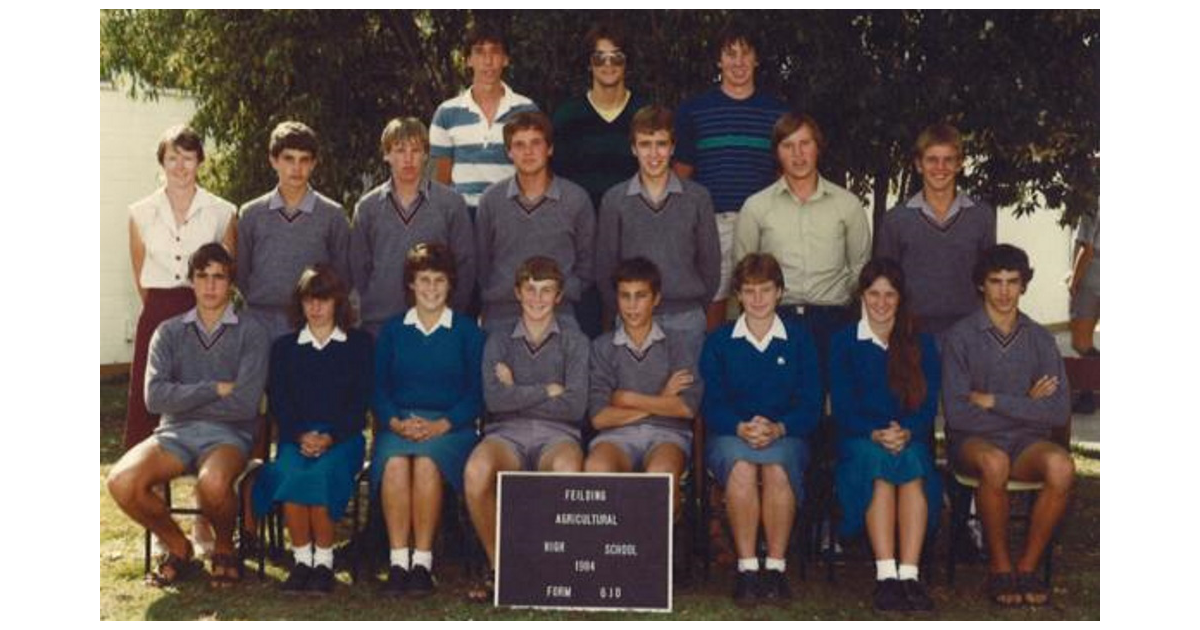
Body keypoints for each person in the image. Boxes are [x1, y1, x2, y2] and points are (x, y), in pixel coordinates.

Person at [107, 243, 269, 588]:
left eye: (219, 277)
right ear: (191, 282)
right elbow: (154, 398)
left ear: (231, 284)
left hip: (229, 434)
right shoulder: (168, 332)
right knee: (121, 481)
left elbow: (244, 404)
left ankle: (224, 547)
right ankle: (180, 546)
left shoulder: (251, 332)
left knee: (213, 483)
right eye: (202, 276)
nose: (210, 286)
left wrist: (181, 395)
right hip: (174, 433)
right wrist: (213, 388)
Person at [943, 244, 1074, 607]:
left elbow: (1058, 410)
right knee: (995, 462)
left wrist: (995, 400)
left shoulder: (1040, 338)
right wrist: (1028, 403)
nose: (1004, 291)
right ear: (981, 285)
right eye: (995, 282)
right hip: (974, 443)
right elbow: (958, 415)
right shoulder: (961, 336)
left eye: (1012, 282)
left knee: (1061, 466)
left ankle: (1027, 567)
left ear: (1024, 285)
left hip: (1026, 443)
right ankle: (1000, 570)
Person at [463, 256, 590, 602]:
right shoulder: (499, 338)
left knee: (567, 469)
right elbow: (493, 400)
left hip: (558, 434)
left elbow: (576, 405)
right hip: (506, 433)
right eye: (530, 290)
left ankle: (549, 567)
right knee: (476, 471)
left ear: (559, 296)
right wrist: (547, 389)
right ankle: (501, 567)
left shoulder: (575, 340)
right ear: (518, 293)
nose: (537, 298)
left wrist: (515, 389)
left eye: (546, 291)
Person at [699, 253, 821, 606]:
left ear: (780, 292)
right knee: (741, 468)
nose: (757, 299)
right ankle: (748, 569)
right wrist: (739, 427)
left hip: (785, 434)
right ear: (738, 294)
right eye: (749, 291)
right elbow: (711, 403)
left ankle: (776, 570)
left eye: (765, 290)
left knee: (776, 468)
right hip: (731, 434)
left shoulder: (799, 340)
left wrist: (780, 428)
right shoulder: (719, 341)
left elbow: (811, 402)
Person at [370, 243, 484, 597]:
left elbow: (478, 393)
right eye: (424, 280)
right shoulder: (392, 331)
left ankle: (422, 563)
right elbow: (377, 388)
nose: (431, 288)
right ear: (411, 285)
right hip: (399, 424)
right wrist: (394, 423)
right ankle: (398, 562)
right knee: (394, 464)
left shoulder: (467, 332)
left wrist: (441, 425)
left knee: (425, 464)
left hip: (451, 429)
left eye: (439, 280)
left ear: (450, 285)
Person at [250, 265, 372, 594]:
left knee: (319, 475)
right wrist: (301, 436)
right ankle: (303, 560)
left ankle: (324, 563)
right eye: (308, 300)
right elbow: (280, 402)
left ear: (338, 303)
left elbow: (360, 404)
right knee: (291, 472)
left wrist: (330, 437)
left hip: (342, 439)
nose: (316, 308)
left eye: (324, 300)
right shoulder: (284, 348)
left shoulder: (359, 345)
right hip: (296, 437)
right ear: (300, 304)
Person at [829, 258, 941, 613]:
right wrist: (874, 433)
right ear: (862, 295)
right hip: (859, 438)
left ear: (900, 298)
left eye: (889, 295)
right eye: (873, 293)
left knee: (910, 466)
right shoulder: (843, 342)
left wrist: (907, 431)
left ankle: (909, 574)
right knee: (878, 466)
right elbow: (842, 406)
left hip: (910, 437)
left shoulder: (921, 342)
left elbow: (928, 406)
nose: (881, 302)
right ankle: (886, 576)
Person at [734, 111, 871, 384]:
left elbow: (861, 268)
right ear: (777, 153)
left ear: (818, 147)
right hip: (776, 319)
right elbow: (744, 271)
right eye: (788, 146)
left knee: (830, 410)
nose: (798, 154)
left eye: (805, 143)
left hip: (833, 320)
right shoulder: (756, 207)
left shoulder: (847, 205)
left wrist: (844, 306)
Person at [125, 124, 237, 451]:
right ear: (162, 162)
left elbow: (228, 269)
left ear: (200, 162)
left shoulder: (222, 211)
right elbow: (140, 274)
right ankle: (149, 485)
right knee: (151, 403)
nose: (180, 166)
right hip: (157, 312)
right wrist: (162, 308)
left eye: (188, 157)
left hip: (205, 313)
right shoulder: (140, 213)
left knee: (201, 397)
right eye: (172, 157)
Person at [673, 23, 789, 330]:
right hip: (714, 223)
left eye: (745, 53)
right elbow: (681, 176)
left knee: (762, 299)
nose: (738, 62)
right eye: (730, 54)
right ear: (719, 60)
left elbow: (785, 175)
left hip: (764, 222)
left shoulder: (776, 113)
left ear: (756, 60)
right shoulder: (694, 111)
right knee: (715, 300)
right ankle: (715, 367)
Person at [585, 258, 702, 549]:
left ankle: (648, 562)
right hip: (615, 438)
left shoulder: (680, 344)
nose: (632, 305)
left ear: (656, 298)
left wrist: (625, 398)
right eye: (625, 296)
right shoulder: (602, 347)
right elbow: (599, 418)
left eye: (641, 296)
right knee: (596, 467)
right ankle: (610, 556)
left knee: (660, 475)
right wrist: (662, 399)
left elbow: (686, 408)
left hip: (668, 435)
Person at [595, 105, 721, 354]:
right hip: (633, 318)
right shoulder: (615, 199)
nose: (654, 154)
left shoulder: (697, 198)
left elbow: (710, 264)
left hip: (686, 319)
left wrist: (694, 305)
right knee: (634, 392)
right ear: (633, 148)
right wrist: (625, 309)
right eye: (645, 144)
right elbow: (605, 267)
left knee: (685, 392)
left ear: (673, 147)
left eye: (661, 144)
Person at [552, 22, 647, 339]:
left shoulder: (644, 114)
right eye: (599, 58)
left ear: (627, 63)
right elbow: (557, 180)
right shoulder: (567, 116)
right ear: (589, 64)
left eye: (616, 57)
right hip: (584, 235)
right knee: (589, 323)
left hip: (635, 231)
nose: (608, 65)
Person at [351, 117, 476, 336]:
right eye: (399, 150)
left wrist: (450, 312)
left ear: (426, 154)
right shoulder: (367, 207)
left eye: (416, 150)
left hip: (436, 324)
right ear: (386, 155)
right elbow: (358, 268)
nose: (408, 159)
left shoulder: (451, 204)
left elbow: (465, 264)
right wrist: (373, 301)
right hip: (379, 325)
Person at [474, 112, 595, 335]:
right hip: (502, 316)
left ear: (550, 149)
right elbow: (482, 264)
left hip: (560, 315)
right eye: (519, 145)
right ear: (509, 152)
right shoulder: (491, 200)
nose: (528, 152)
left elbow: (587, 267)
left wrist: (558, 293)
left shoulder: (576, 199)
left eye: (536, 143)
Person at [875, 123, 997, 339]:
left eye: (948, 159)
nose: (940, 167)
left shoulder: (981, 216)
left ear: (959, 164)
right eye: (932, 159)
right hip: (914, 334)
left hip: (970, 333)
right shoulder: (896, 220)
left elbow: (990, 279)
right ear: (919, 165)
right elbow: (884, 284)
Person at [236, 121, 352, 341]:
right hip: (259, 321)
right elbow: (242, 272)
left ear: (314, 164)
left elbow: (343, 275)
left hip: (311, 323)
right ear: (273, 161)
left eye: (304, 160)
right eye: (289, 159)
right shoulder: (251, 213)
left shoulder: (332, 214)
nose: (296, 168)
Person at [430, 25, 539, 211]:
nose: (488, 61)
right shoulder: (446, 113)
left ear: (505, 59)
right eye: (479, 52)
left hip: (511, 213)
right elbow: (441, 183)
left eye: (495, 52)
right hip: (462, 217)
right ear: (468, 60)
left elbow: (535, 172)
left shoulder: (527, 110)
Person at [1067, 206, 1100, 413]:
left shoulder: (1090, 204)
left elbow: (1086, 248)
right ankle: (1089, 393)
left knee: (1080, 342)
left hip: (1092, 278)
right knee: (1084, 342)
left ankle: (1089, 395)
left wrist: (1073, 280)